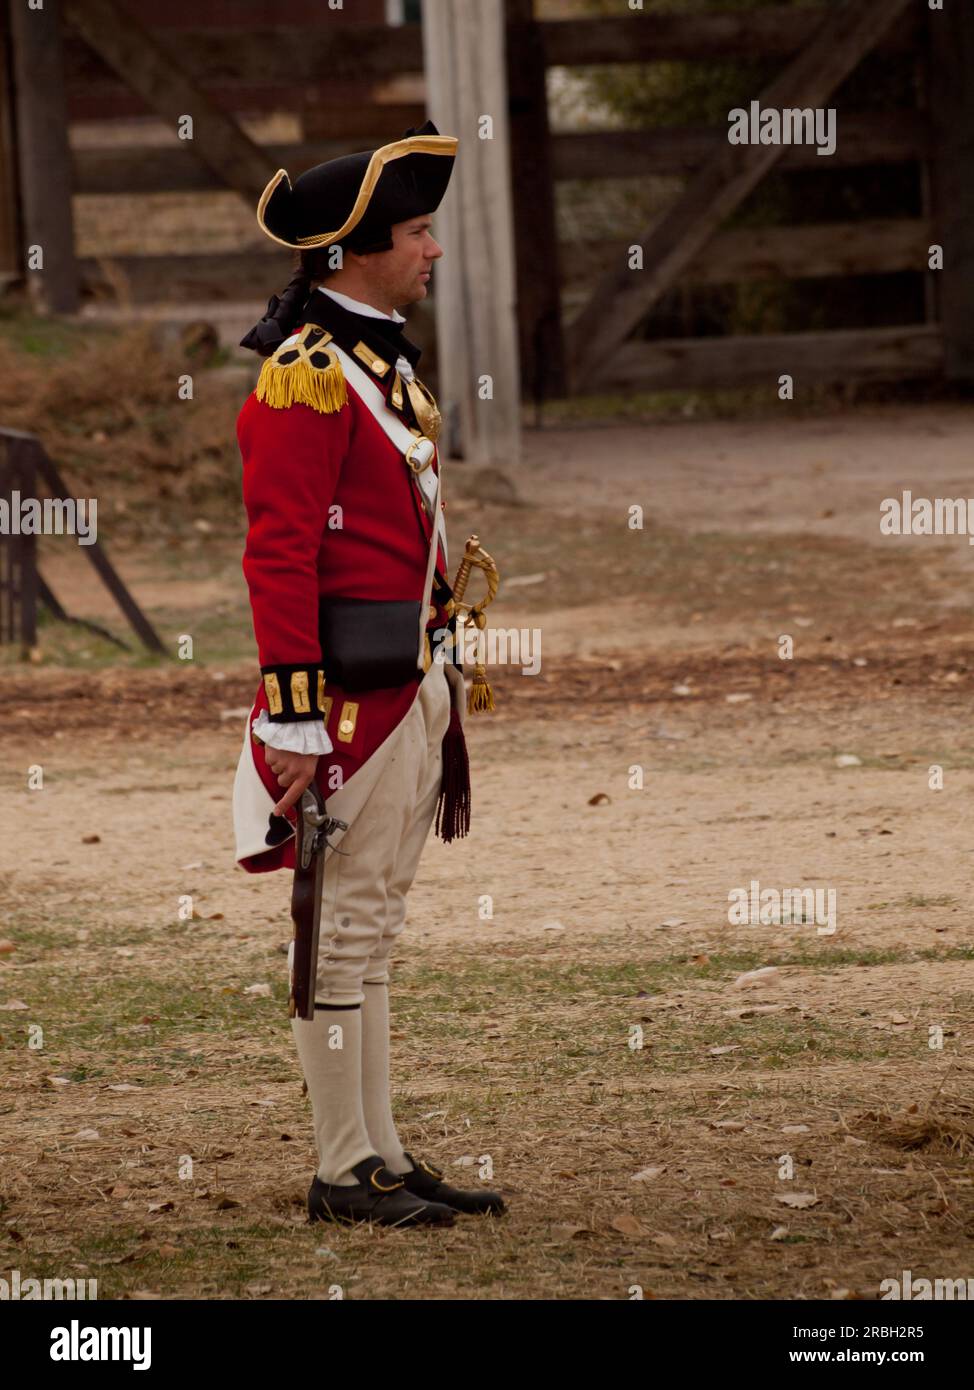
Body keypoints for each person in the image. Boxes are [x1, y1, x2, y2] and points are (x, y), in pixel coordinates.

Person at [231, 122, 505, 1228]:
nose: (434, 249)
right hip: (343, 698)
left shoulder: (368, 361)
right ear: (353, 251)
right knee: (338, 929)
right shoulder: (303, 378)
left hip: (407, 675)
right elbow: (278, 555)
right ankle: (340, 1168)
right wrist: (296, 720)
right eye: (419, 231)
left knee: (372, 922)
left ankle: (379, 1153)